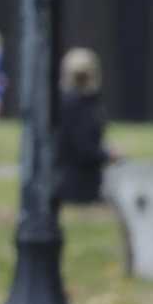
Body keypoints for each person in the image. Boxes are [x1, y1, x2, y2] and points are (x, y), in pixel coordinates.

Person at [56, 48, 117, 206]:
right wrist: (107, 155)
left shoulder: (63, 103)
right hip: (80, 187)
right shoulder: (82, 106)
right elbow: (84, 149)